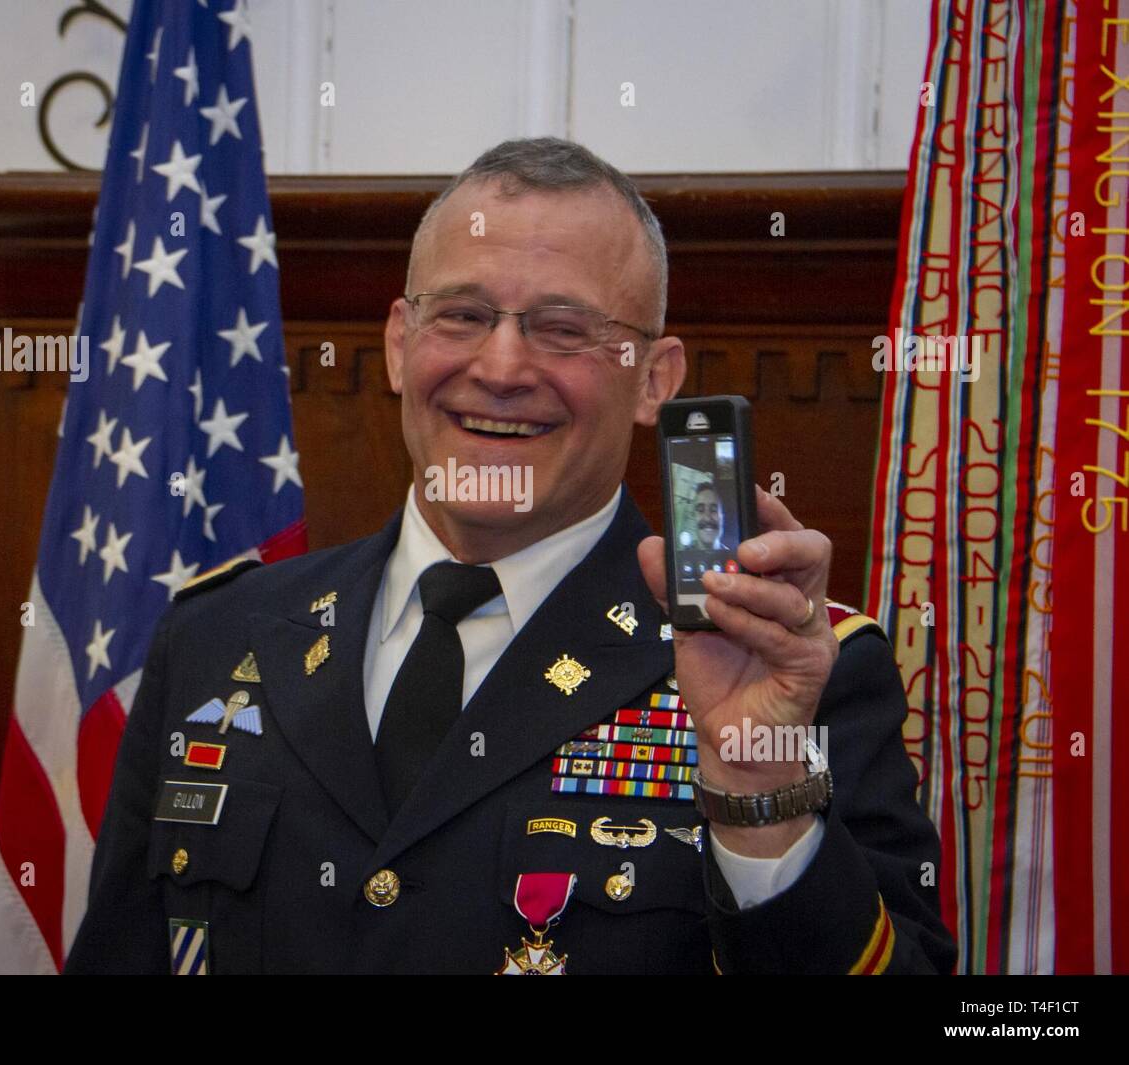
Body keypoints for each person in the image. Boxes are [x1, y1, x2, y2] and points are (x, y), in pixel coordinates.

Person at [66, 137, 956, 975]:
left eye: (563, 329)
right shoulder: (218, 634)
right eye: (462, 315)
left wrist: (760, 801)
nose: (500, 366)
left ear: (655, 380)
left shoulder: (793, 670)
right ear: (397, 344)